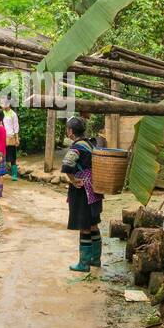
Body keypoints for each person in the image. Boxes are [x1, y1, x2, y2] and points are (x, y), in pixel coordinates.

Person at [61, 115, 104, 272]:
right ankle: (96, 259)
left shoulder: (76, 147)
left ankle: (84, 264)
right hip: (95, 188)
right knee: (93, 224)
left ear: (71, 131)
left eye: (67, 129)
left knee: (84, 226)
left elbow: (67, 166)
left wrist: (73, 180)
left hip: (82, 190)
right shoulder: (90, 143)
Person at [1, 96, 21, 180]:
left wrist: (17, 138)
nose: (1, 104)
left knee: (12, 157)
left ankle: (14, 175)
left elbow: (16, 127)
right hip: (2, 137)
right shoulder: (1, 113)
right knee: (1, 155)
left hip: (10, 137)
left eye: (3, 103)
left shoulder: (13, 114)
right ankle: (1, 173)